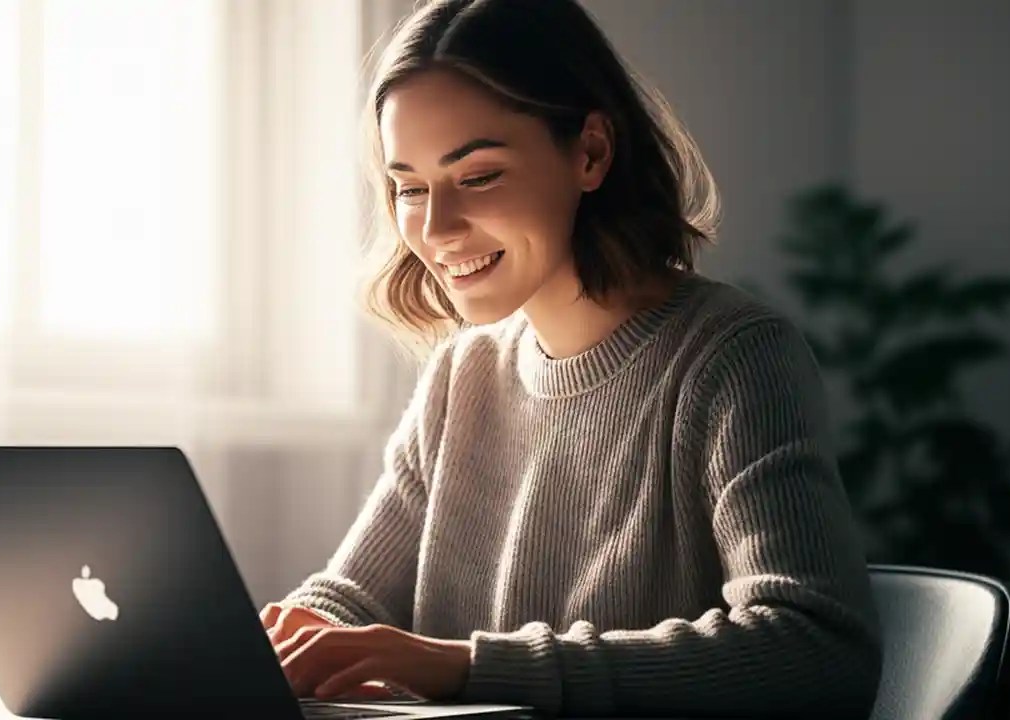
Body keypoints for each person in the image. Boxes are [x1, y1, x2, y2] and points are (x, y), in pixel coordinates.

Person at [260, 0, 883, 716]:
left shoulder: (735, 359)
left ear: (589, 153)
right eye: (409, 187)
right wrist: (276, 643)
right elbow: (349, 599)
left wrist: (467, 667)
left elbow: (819, 651)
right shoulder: (461, 380)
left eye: (479, 175)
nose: (434, 229)